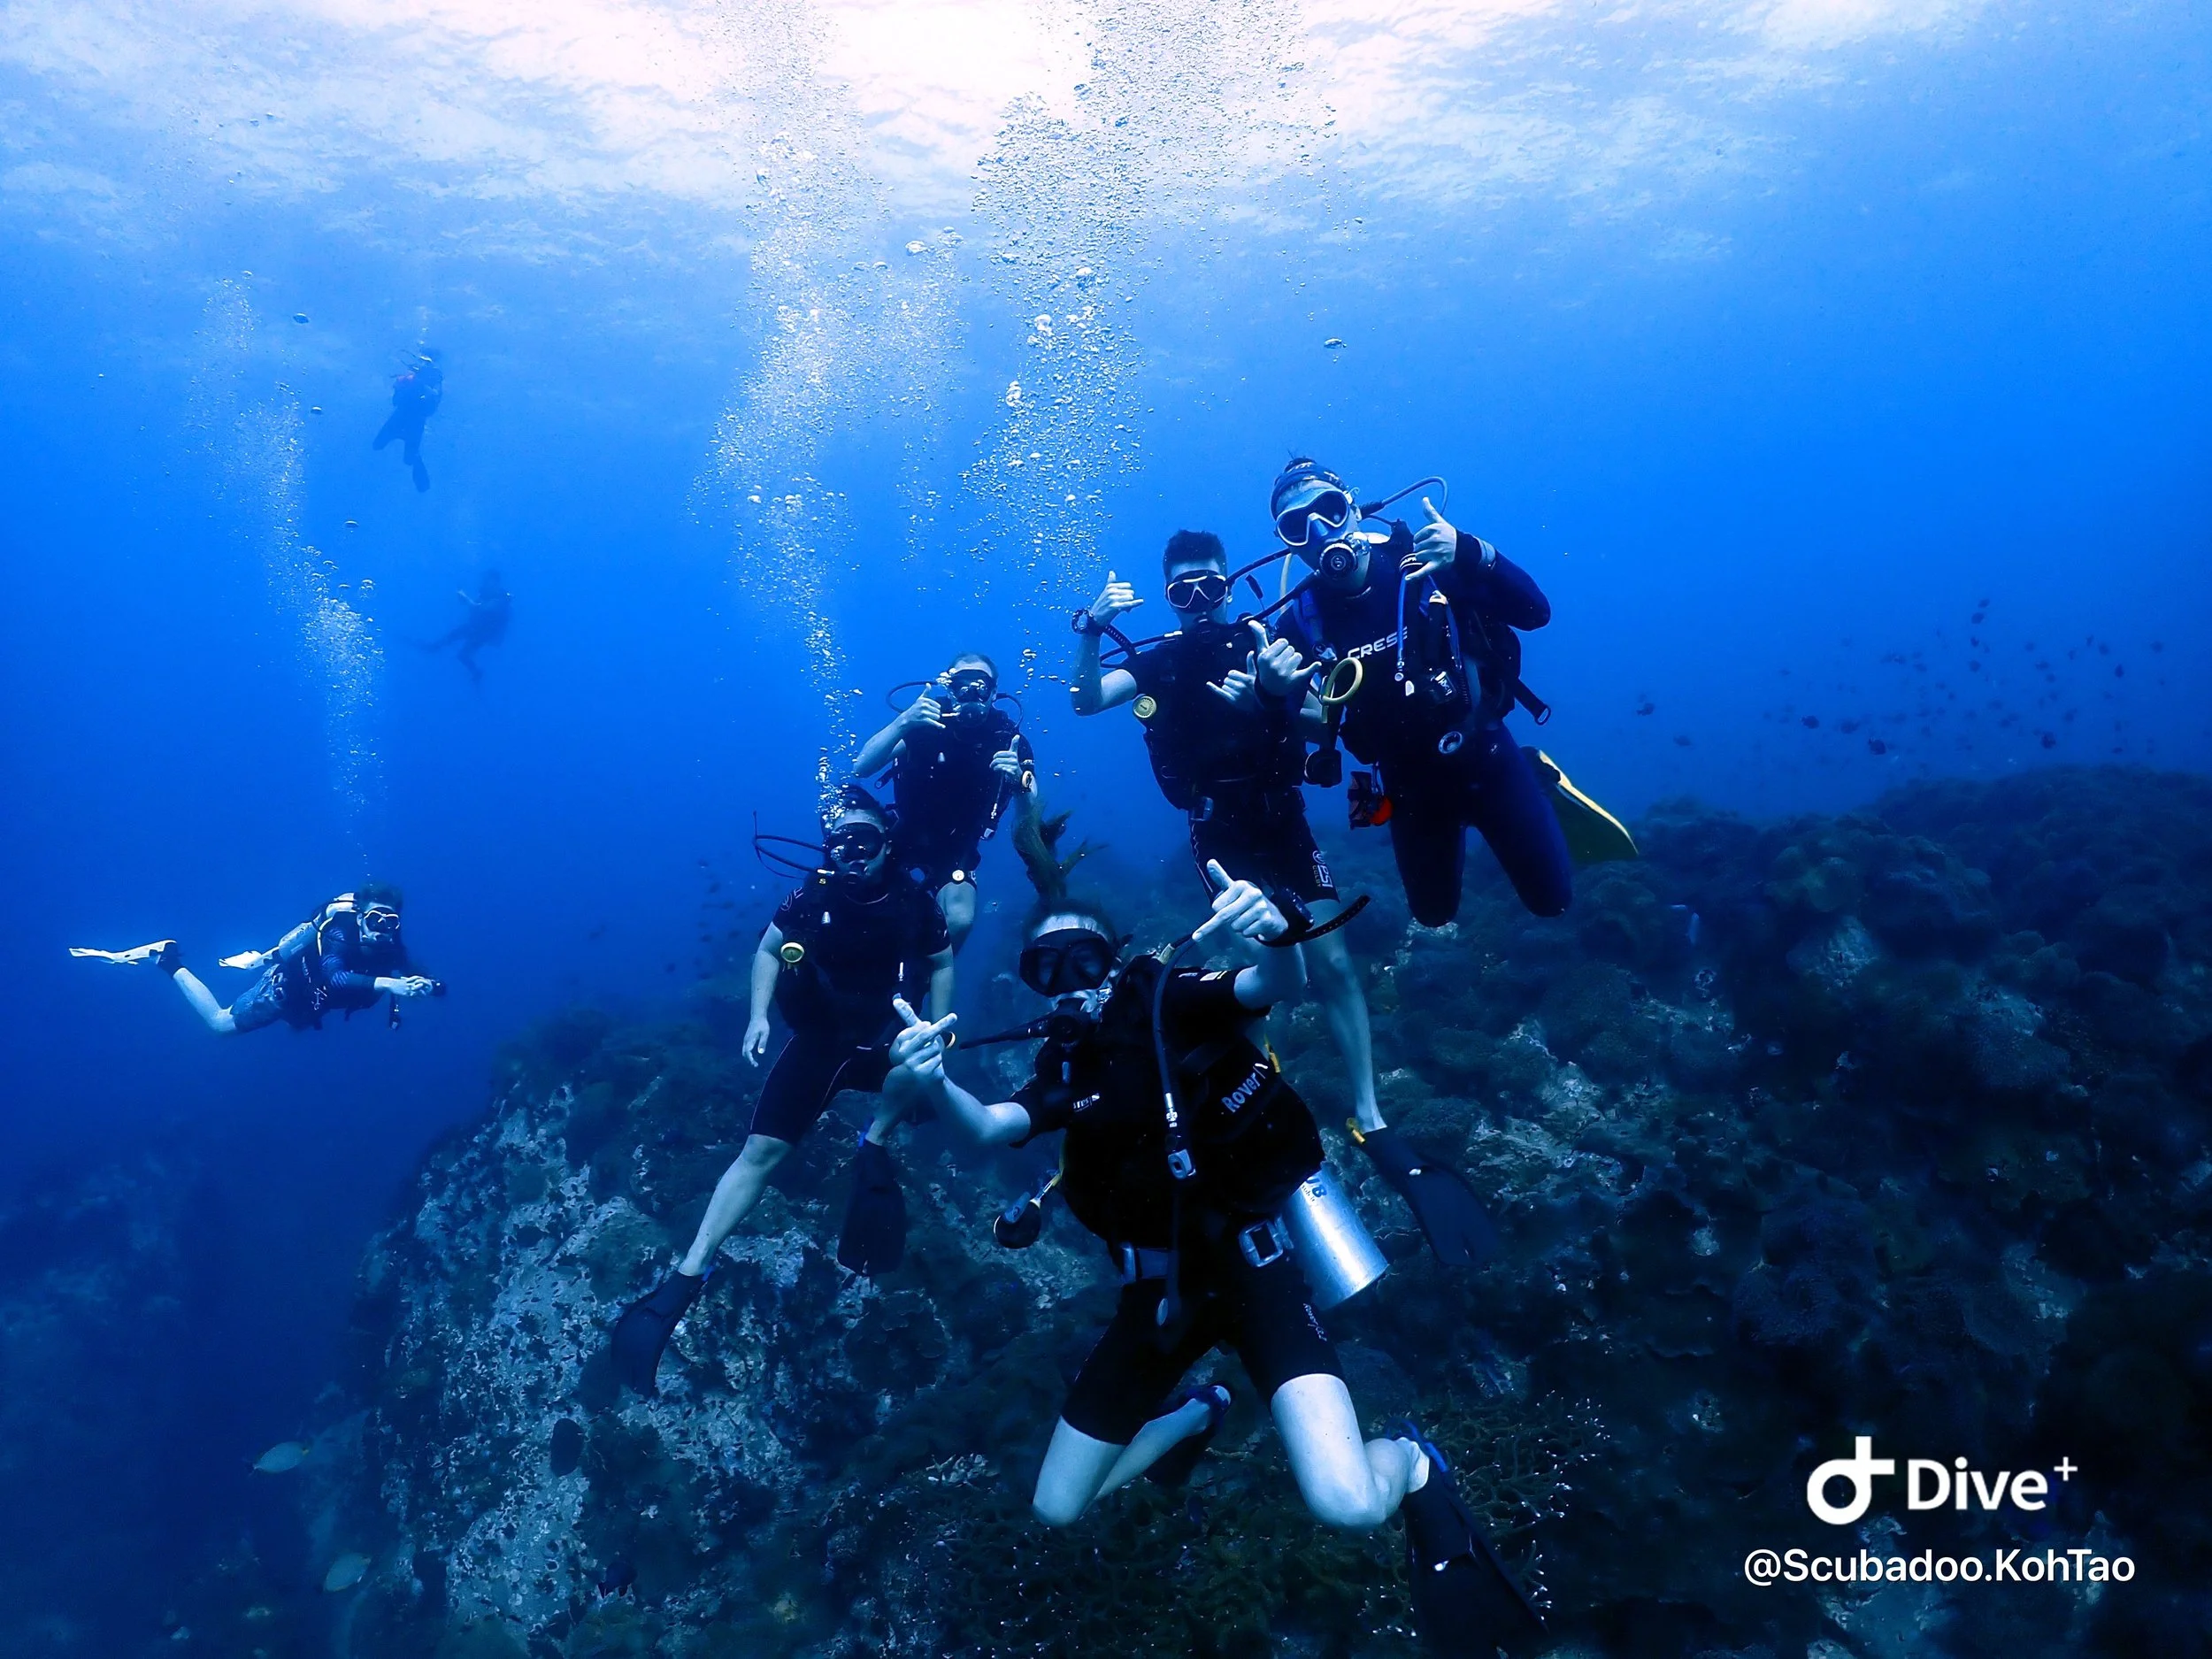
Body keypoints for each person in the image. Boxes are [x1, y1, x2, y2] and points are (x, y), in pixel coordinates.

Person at [882, 848, 1545, 1658]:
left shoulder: (1169, 994)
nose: (1067, 979)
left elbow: (1274, 987)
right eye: (1045, 966)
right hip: (1158, 1298)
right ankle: (1204, 1410)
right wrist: (932, 1079)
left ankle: (1410, 1462)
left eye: (1083, 955)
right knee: (1056, 1504)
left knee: (1345, 1502)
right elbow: (989, 1128)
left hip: (1254, 1268)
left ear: (1116, 953)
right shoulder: (1063, 1063)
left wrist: (1272, 934)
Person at [608, 787, 954, 1396]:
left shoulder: (913, 901)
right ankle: (687, 1273)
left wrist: (941, 1031)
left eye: (865, 840)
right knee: (759, 1155)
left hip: (888, 1041)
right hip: (821, 1042)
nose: (852, 851)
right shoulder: (812, 895)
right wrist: (758, 1015)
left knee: (921, 1077)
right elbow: (769, 949)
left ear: (886, 843)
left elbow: (943, 959)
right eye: (841, 841)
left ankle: (873, 1142)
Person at [1071, 529, 1383, 1134]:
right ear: (1169, 600)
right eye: (1184, 593)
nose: (1201, 601)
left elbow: (1324, 727)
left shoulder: (1266, 641)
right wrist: (1089, 630)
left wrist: (1273, 694)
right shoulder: (1158, 663)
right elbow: (1086, 699)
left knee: (1335, 965)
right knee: (1256, 971)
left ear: (1230, 585)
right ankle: (1264, 1099)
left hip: (1282, 818)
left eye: (1210, 586)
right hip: (1218, 833)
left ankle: (1369, 1108)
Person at [1269, 458, 1574, 926]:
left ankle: (1533, 776)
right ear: (1289, 544)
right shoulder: (1299, 621)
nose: (1318, 531)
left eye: (1328, 509)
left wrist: (1473, 552)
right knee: (1432, 914)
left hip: (1483, 752)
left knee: (1552, 901)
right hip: (1406, 783)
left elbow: (1537, 612)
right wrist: (1271, 693)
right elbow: (1286, 727)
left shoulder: (1430, 561)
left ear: (1352, 506)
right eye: (1296, 526)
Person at [70, 885, 441, 1034]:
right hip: (286, 988)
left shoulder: (392, 945)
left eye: (390, 921)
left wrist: (426, 984)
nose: (383, 928)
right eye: (375, 919)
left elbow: (412, 969)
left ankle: (176, 960)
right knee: (220, 1024)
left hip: (308, 1001)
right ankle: (166, 959)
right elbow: (334, 979)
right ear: (360, 916)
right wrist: (392, 984)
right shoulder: (340, 933)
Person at [853, 651, 1034, 954]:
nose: (971, 691)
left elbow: (1029, 816)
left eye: (981, 683)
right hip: (905, 832)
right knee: (861, 901)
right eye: (962, 683)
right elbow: (863, 767)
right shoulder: (924, 724)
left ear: (994, 689)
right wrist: (902, 722)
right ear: (948, 687)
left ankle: (923, 977)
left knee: (960, 920)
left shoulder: (1008, 739)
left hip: (957, 846)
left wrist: (1018, 782)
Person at [422, 570, 511, 685]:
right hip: (475, 627)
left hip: (484, 634)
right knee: (457, 646)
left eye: (487, 580)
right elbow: (471, 606)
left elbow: (482, 608)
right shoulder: (485, 594)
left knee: (461, 653)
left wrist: (465, 598)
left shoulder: (502, 598)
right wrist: (462, 597)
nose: (484, 582)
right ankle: (433, 648)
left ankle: (476, 672)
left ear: (495, 582)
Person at [373, 349, 444, 492]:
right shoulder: (409, 379)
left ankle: (417, 461)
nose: (422, 365)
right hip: (403, 416)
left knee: (409, 458)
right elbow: (396, 399)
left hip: (413, 419)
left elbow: (433, 401)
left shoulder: (432, 379)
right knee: (378, 445)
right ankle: (414, 456)